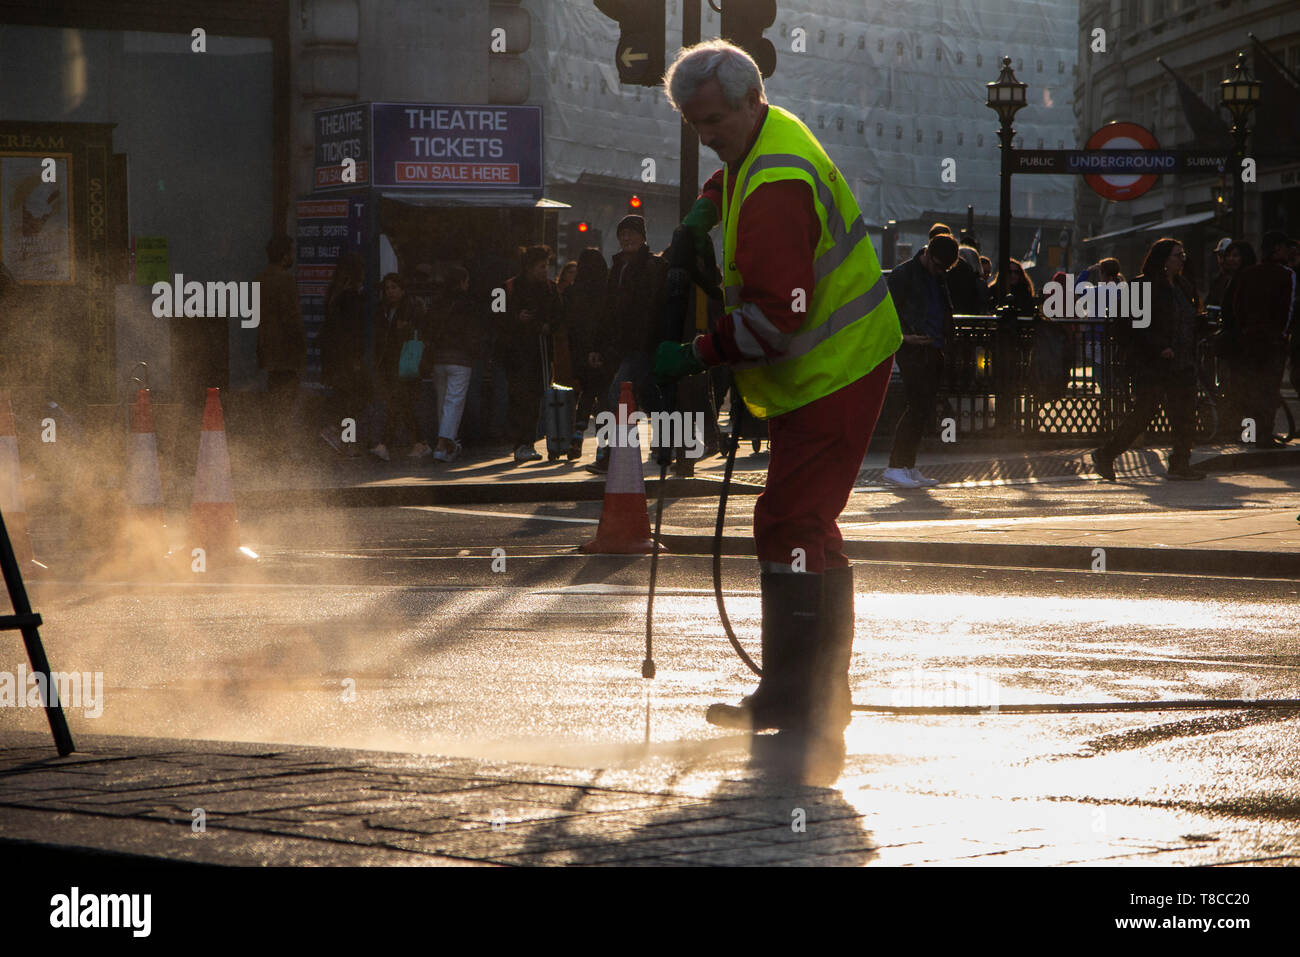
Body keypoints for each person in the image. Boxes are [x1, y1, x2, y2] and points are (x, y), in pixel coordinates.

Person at [653, 40, 902, 759]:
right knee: (809, 523)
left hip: (836, 368)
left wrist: (694, 355)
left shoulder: (775, 186)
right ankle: (815, 692)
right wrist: (705, 204)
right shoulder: (764, 144)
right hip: (829, 368)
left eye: (713, 123)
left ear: (749, 99)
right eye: (695, 126)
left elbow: (775, 317)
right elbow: (736, 170)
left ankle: (799, 695)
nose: (707, 137)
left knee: (791, 518)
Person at [1092, 238, 1205, 481]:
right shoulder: (1142, 286)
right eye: (1177, 255)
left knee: (1184, 415)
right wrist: (1158, 346)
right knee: (1144, 412)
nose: (1182, 259)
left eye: (1183, 254)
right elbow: (1126, 325)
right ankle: (1106, 454)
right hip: (1154, 363)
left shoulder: (1183, 285)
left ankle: (1180, 463)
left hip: (1183, 361)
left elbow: (1191, 317)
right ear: (1164, 259)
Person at [585, 214, 668, 473]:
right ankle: (667, 447)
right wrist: (598, 346)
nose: (627, 238)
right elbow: (607, 311)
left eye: (632, 233)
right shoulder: (618, 268)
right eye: (623, 234)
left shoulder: (654, 267)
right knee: (650, 397)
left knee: (616, 396)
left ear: (643, 237)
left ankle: (615, 457)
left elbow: (661, 308)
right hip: (622, 347)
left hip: (644, 345)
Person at [882, 233, 959, 488]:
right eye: (938, 265)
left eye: (945, 268)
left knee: (923, 408)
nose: (940, 271)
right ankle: (896, 465)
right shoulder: (904, 274)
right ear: (927, 254)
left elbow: (944, 309)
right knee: (917, 406)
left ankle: (906, 465)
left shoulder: (936, 275)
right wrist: (906, 338)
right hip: (914, 347)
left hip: (930, 345)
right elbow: (889, 311)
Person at [1229, 231, 1297, 448]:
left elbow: (1237, 307)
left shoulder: (1248, 274)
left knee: (1250, 389)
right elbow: (1288, 309)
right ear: (1278, 249)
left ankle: (1250, 434)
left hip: (1249, 339)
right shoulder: (1286, 274)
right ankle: (1265, 436)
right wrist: (1284, 334)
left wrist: (1245, 330)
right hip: (1272, 341)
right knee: (1268, 389)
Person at [503, 245, 561, 463]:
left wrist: (548, 326)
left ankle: (528, 441)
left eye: (546, 266)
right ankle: (521, 442)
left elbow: (559, 316)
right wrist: (516, 318)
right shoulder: (507, 288)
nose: (544, 270)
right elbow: (493, 314)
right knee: (520, 398)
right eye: (541, 266)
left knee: (535, 397)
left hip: (541, 353)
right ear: (529, 267)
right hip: (515, 353)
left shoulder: (550, 289)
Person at [255, 234, 306, 458]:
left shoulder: (261, 278)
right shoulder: (286, 280)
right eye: (291, 253)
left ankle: (271, 446)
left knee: (274, 397)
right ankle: (280, 447)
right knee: (286, 400)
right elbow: (292, 318)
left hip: (269, 349)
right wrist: (302, 347)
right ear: (285, 255)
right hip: (286, 351)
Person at [371, 272, 431, 461]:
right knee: (401, 405)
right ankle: (420, 443)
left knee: (398, 403)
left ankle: (386, 444)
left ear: (402, 289)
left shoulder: (412, 306)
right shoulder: (385, 309)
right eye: (387, 288)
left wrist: (406, 328)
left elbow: (422, 330)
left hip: (406, 362)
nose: (390, 292)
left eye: (394, 287)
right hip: (390, 363)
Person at [317, 252, 369, 455]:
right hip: (348, 358)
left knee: (344, 397)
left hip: (334, 357)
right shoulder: (352, 298)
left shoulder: (334, 295)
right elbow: (354, 331)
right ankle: (346, 439)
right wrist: (357, 357)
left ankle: (339, 434)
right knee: (355, 398)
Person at [563, 247, 612, 461]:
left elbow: (567, 324)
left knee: (586, 392)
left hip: (580, 352)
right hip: (602, 350)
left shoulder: (571, 293)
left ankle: (577, 434)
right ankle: (602, 445)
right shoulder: (608, 292)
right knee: (603, 396)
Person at [428, 265, 480, 462]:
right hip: (460, 358)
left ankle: (444, 446)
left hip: (439, 358)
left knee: (442, 402)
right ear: (462, 282)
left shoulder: (438, 301)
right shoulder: (468, 303)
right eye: (466, 281)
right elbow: (473, 330)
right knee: (454, 401)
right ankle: (443, 444)